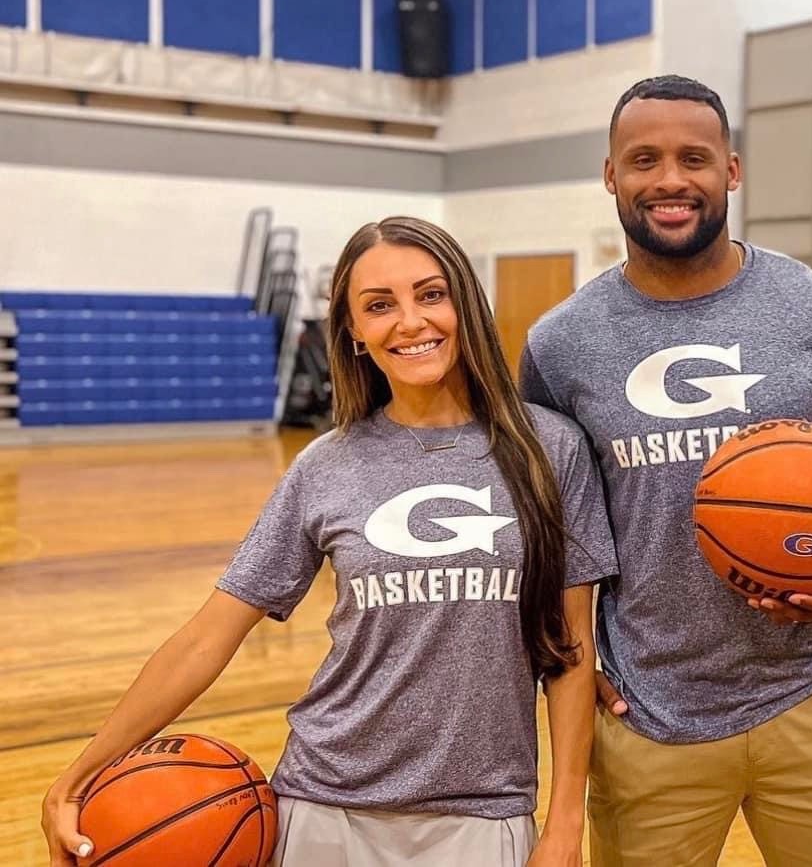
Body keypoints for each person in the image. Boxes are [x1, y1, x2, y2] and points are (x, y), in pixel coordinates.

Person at [42, 216, 617, 867]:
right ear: (354, 333)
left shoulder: (551, 450)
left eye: (430, 294)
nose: (409, 321)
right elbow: (208, 637)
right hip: (324, 807)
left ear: (465, 302)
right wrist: (81, 772)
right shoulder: (327, 465)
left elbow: (570, 651)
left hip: (481, 815)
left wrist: (565, 820)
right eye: (379, 306)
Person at [520, 76, 812, 867]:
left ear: (731, 171)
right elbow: (546, 526)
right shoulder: (559, 345)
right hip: (648, 717)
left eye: (693, 158)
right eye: (644, 159)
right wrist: (569, 664)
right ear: (611, 176)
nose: (670, 179)